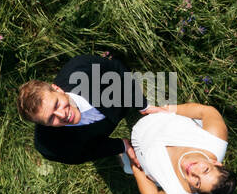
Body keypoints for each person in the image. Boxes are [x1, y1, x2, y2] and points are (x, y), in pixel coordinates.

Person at [17, 52, 149, 168]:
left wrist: (144, 106)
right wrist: (122, 146)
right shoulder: (49, 146)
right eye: (51, 118)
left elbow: (119, 73)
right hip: (102, 127)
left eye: (56, 104)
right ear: (43, 124)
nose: (62, 115)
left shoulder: (82, 69)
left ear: (57, 89)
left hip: (117, 94)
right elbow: (82, 154)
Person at [122, 103, 236, 194]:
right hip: (164, 118)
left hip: (140, 144)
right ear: (215, 163)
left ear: (196, 191)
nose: (194, 171)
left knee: (130, 163)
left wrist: (135, 166)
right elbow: (207, 111)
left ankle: (128, 162)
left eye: (197, 183)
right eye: (205, 170)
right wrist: (170, 109)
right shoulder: (215, 140)